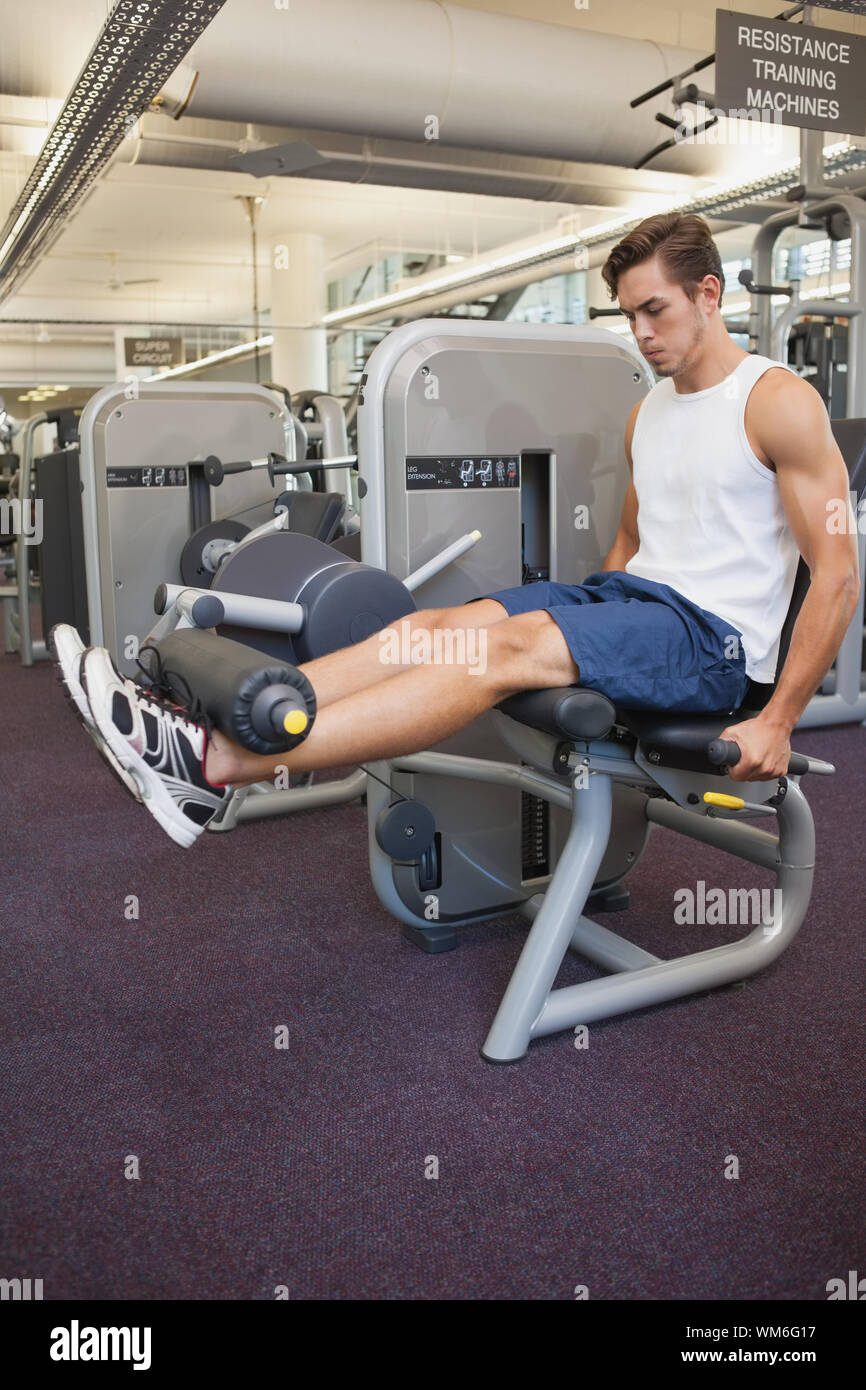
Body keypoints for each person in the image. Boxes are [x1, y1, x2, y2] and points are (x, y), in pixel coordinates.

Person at [53, 212, 859, 849]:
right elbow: (628, 547)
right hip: (637, 603)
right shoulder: (647, 411)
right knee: (435, 625)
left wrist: (778, 719)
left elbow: (838, 575)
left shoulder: (778, 402)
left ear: (709, 296)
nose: (642, 333)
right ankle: (201, 723)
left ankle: (216, 765)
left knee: (494, 653)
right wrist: (590, 620)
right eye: (631, 314)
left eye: (657, 310)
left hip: (713, 645)